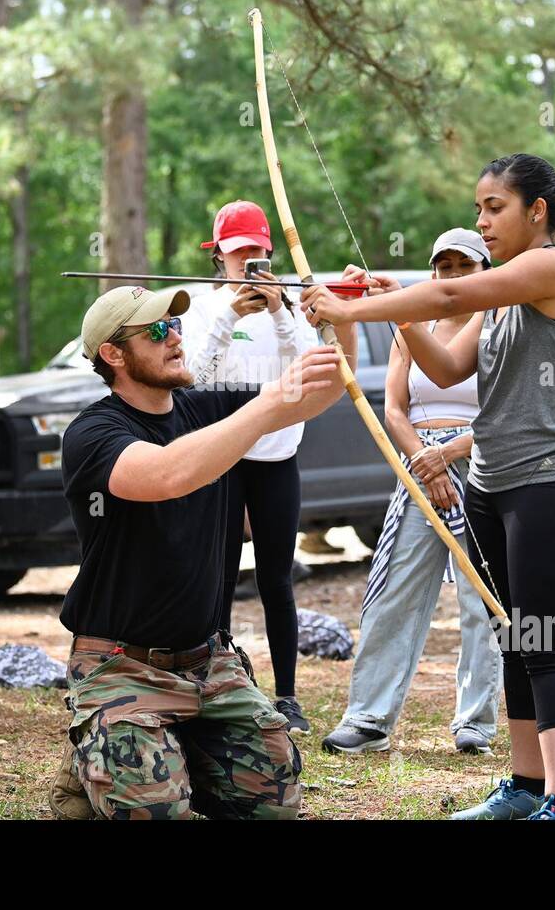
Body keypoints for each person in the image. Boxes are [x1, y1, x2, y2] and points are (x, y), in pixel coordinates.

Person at [302, 153, 555, 821]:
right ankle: (525, 787)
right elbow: (442, 363)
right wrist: (390, 315)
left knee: (545, 638)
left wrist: (356, 299)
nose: (482, 221)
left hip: (550, 484)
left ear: (538, 212)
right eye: (478, 209)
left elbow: (446, 294)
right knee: (515, 640)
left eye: (494, 207)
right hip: (492, 487)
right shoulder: (501, 294)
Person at [55, 283, 358, 819]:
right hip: (122, 665)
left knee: (274, 807)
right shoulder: (92, 432)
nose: (174, 337)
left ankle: (175, 750)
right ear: (113, 354)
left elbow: (323, 390)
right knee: (157, 815)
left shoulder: (205, 407)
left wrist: (343, 319)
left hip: (206, 661)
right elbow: (168, 473)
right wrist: (265, 406)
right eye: (155, 330)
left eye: (174, 326)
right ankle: (99, 752)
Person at [322, 228, 502, 756]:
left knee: (480, 593)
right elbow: (394, 410)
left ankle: (475, 723)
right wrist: (425, 460)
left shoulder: (497, 322)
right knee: (395, 589)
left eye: (463, 268)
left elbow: (504, 411)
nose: (451, 277)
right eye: (442, 268)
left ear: (484, 273)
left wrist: (450, 454)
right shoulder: (412, 329)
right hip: (420, 466)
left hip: (479, 460)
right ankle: (368, 718)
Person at [179, 200, 318, 732]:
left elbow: (305, 367)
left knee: (276, 578)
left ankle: (287, 695)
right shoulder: (203, 309)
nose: (249, 266)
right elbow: (197, 380)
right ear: (219, 257)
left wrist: (281, 309)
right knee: (217, 573)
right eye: (239, 256)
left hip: (276, 453)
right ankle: (215, 681)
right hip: (222, 453)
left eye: (258, 254)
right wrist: (231, 315)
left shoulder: (288, 307)